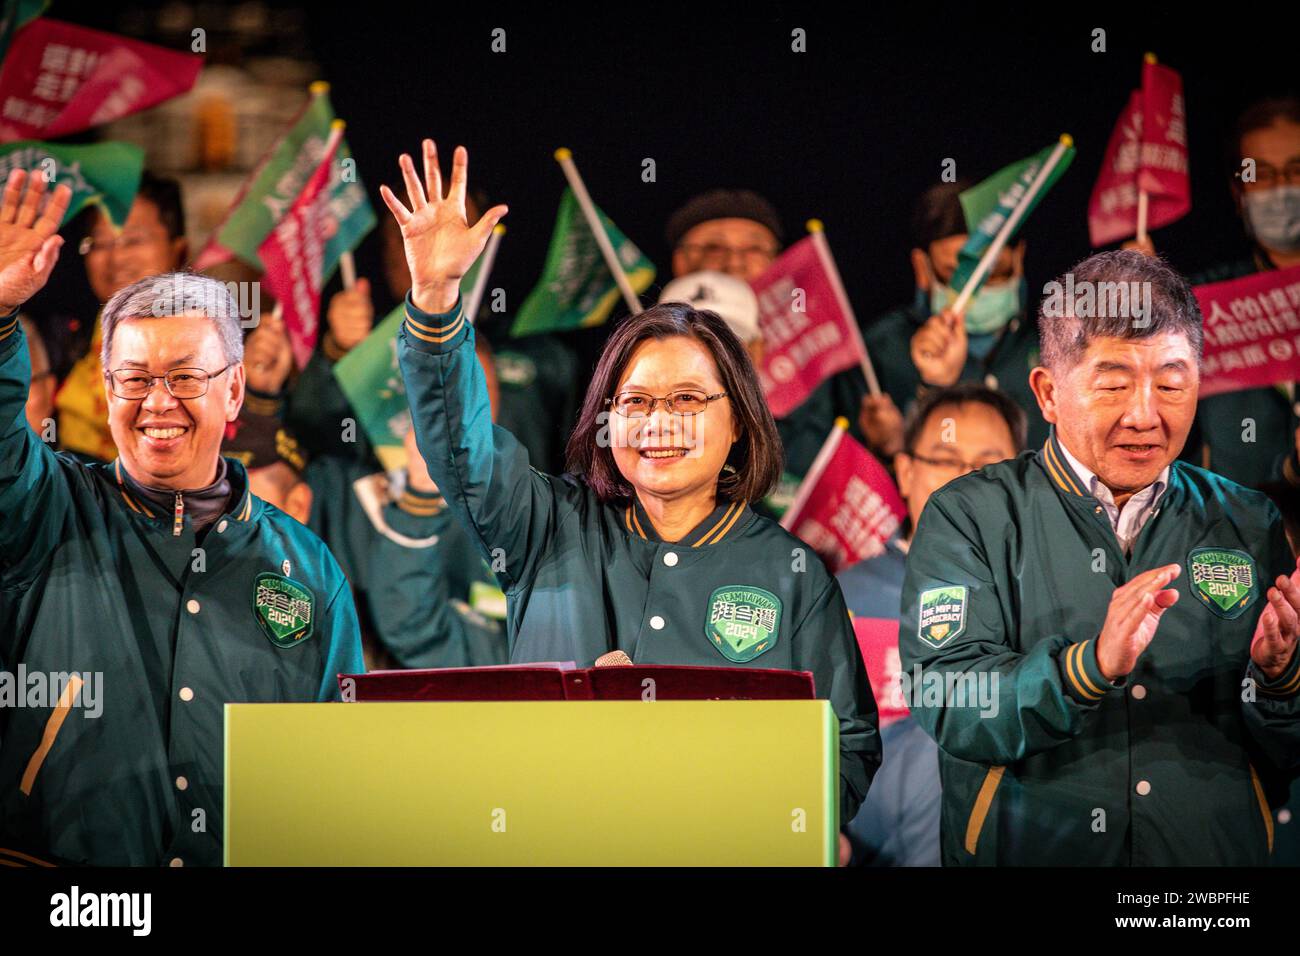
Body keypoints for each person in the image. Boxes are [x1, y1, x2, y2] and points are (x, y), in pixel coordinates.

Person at [383, 142, 880, 832]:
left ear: (737, 421)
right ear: (605, 420)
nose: (658, 424)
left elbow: (846, 750)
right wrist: (437, 301)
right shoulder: (544, 524)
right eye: (636, 402)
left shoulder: (791, 572)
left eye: (686, 400)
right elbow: (461, 446)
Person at [0, 169, 363, 866]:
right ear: (107, 393)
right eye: (134, 379)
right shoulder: (47, 510)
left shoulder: (310, 570)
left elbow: (335, 782)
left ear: (233, 392)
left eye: (186, 377)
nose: (157, 401)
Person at [900, 249, 1300, 866]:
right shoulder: (968, 514)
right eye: (1113, 384)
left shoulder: (1249, 520)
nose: (1145, 414)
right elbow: (949, 697)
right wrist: (1085, 669)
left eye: (1171, 383)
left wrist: (1282, 679)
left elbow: (1285, 748)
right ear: (1048, 391)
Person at [838, 383, 1025, 867]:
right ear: (904, 470)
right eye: (945, 459)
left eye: (988, 465)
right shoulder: (838, 599)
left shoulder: (1044, 599)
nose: (966, 480)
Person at [863, 181, 1047, 453]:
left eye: (992, 271)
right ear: (922, 267)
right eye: (956, 275)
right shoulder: (880, 352)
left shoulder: (1054, 346)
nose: (975, 290)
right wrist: (888, 448)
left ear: (1019, 257)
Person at [1182, 96, 1300, 488]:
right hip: (1232, 542)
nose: (1281, 189)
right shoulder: (1204, 304)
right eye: (1261, 174)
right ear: (1238, 193)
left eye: (1296, 170)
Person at [54, 172, 190, 461]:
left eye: (133, 240)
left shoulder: (207, 345)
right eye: (100, 243)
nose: (115, 258)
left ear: (178, 250)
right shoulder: (66, 338)